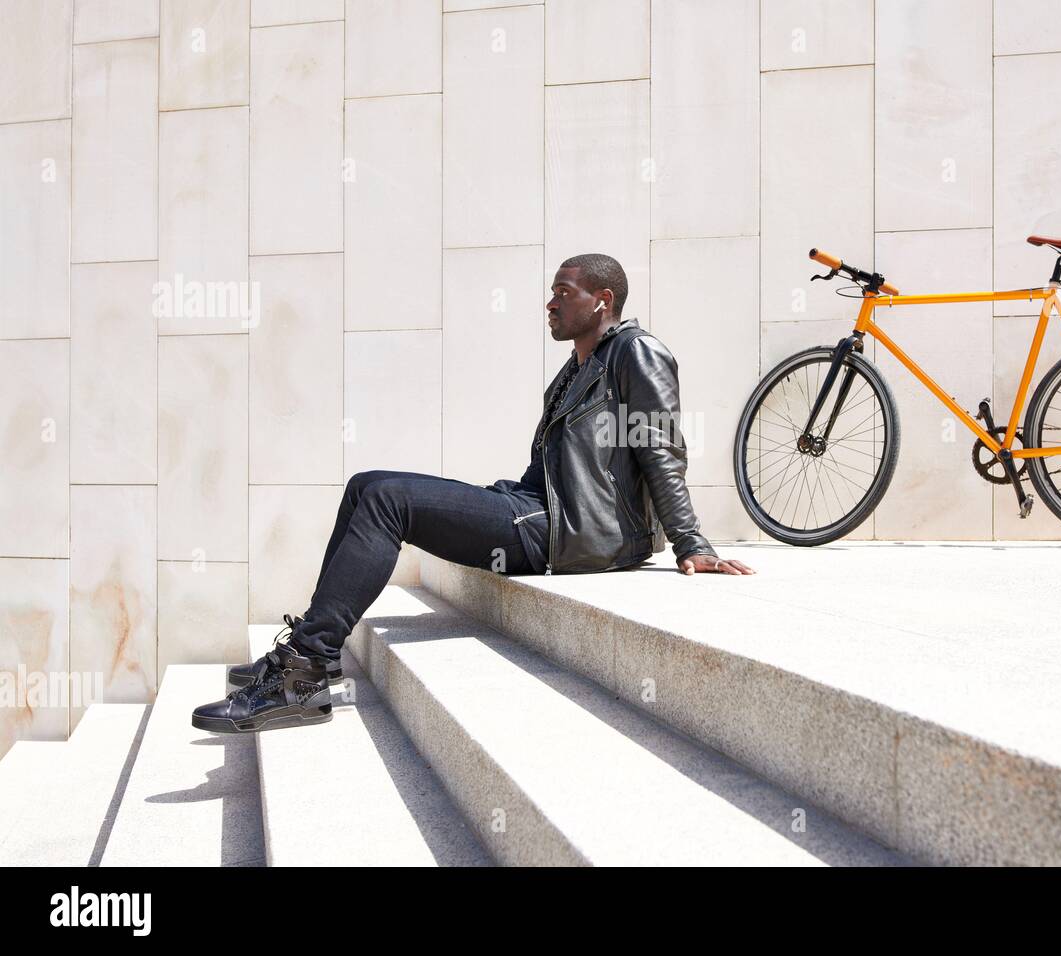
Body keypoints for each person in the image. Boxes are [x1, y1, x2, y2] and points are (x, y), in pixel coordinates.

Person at [192, 253, 755, 734]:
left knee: (388, 498)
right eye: (552, 293)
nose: (551, 303)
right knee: (367, 484)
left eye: (564, 292)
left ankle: (304, 671)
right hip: (536, 509)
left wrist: (690, 542)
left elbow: (659, 447)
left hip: (573, 534)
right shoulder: (576, 369)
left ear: (602, 300)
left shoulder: (637, 351)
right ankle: (310, 653)